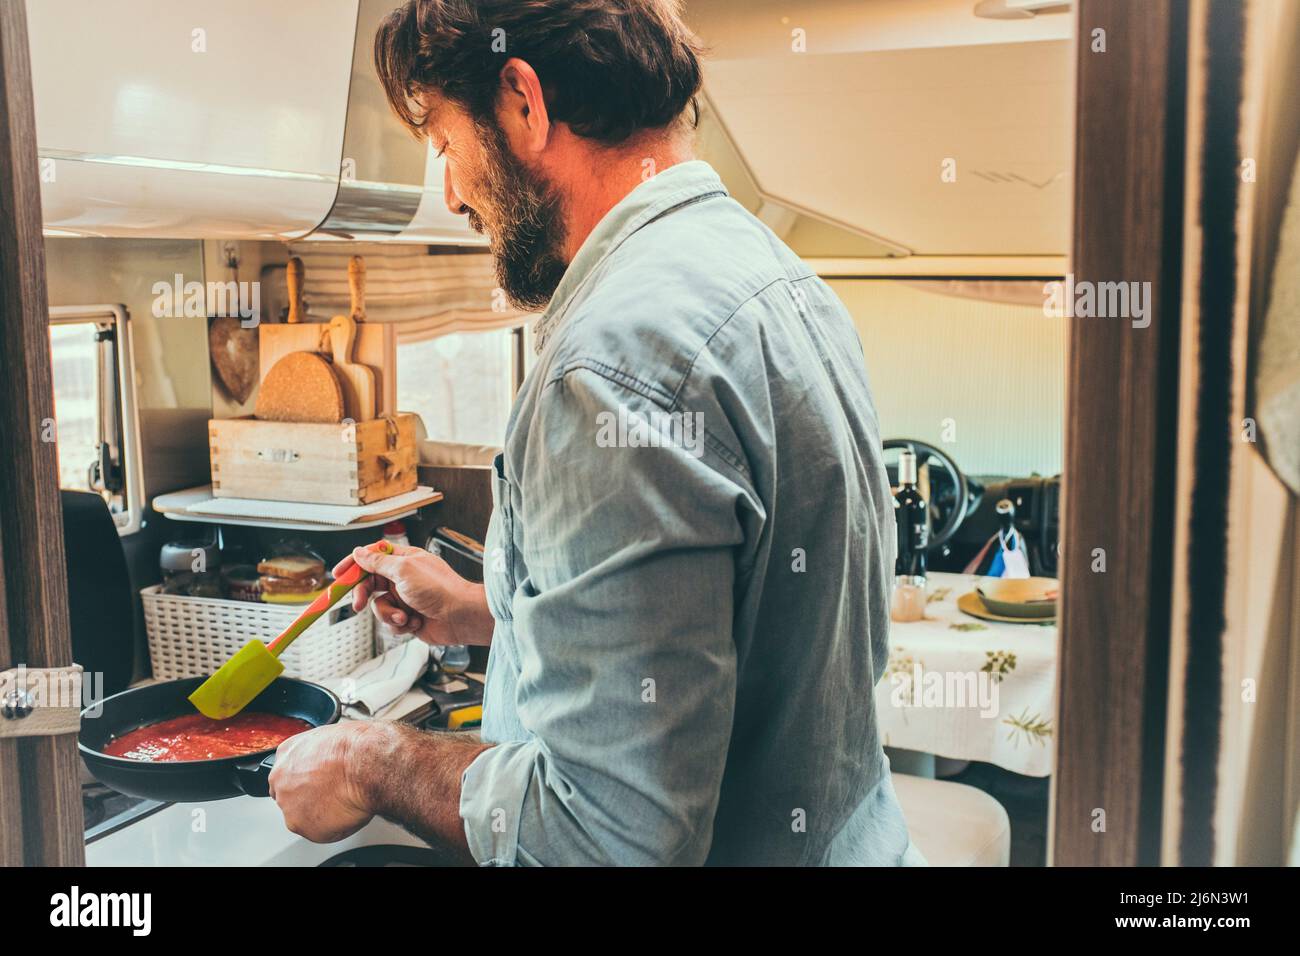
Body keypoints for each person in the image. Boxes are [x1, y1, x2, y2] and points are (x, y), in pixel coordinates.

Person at [268, 0, 922, 866]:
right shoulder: (781, 279)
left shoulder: (610, 370)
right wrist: (479, 612)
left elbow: (611, 838)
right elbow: (737, 631)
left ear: (523, 102)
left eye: (445, 145)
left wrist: (374, 760)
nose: (454, 192)